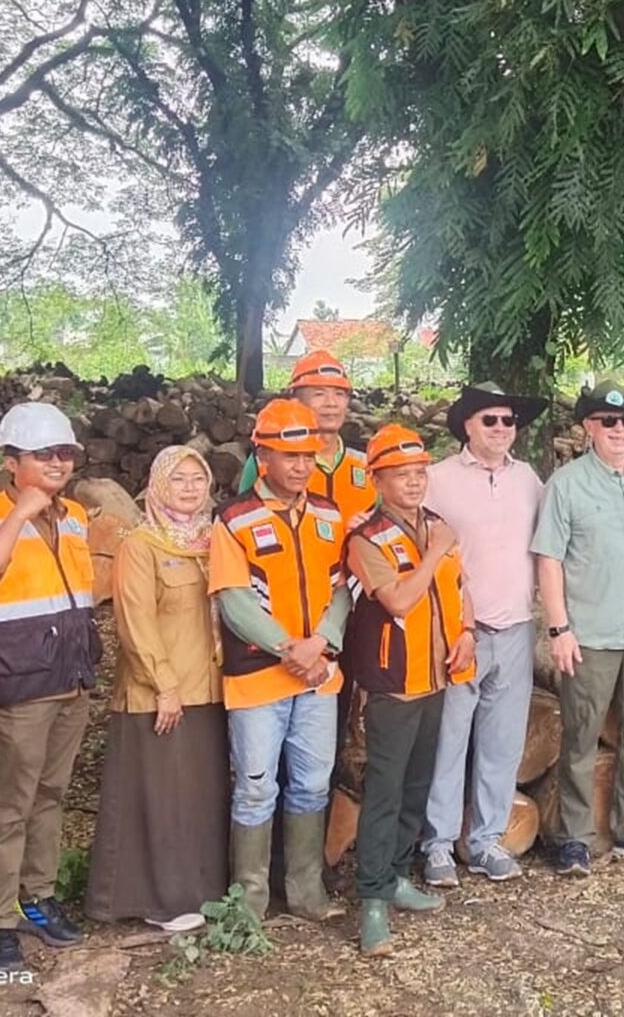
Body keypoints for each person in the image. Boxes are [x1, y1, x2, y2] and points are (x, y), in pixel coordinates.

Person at [0, 402, 97, 971]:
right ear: (11, 461)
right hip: (11, 687)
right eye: (45, 454)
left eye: (66, 453)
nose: (59, 463)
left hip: (68, 682)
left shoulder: (78, 517)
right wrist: (21, 515)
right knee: (11, 805)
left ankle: (39, 896)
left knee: (52, 796)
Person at [208, 400, 351, 922]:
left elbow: (344, 588)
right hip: (258, 679)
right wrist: (290, 649)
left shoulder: (329, 515)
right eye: (288, 455)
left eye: (308, 455)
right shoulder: (234, 519)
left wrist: (323, 642)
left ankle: (307, 892)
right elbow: (234, 598)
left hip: (319, 677)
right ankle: (248, 903)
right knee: (254, 788)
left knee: (313, 782)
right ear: (261, 456)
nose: (301, 466)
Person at [341, 424, 478, 955]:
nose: (416, 482)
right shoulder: (366, 538)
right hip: (393, 683)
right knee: (385, 791)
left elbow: (457, 587)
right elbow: (398, 600)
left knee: (417, 787)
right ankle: (372, 899)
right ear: (378, 480)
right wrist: (434, 552)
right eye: (403, 475)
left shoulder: (436, 527)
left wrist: (465, 632)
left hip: (436, 676)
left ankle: (398, 874)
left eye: (421, 472)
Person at [533, 381, 624, 877]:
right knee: (581, 736)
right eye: (608, 421)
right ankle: (574, 837)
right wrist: (559, 629)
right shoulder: (567, 484)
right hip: (589, 634)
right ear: (588, 427)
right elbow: (548, 559)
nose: (619, 429)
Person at [86, 446, 228, 933]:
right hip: (160, 693)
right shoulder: (140, 544)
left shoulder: (214, 542)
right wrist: (163, 684)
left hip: (209, 688)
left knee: (198, 798)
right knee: (160, 798)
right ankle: (158, 899)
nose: (190, 488)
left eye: (198, 479)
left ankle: (202, 890)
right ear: (158, 485)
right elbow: (134, 623)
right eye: (179, 480)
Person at [419, 382, 549, 888]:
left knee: (502, 743)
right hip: (459, 631)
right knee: (449, 740)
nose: (501, 429)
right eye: (490, 420)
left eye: (509, 421)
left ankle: (487, 841)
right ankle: (437, 845)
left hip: (515, 625)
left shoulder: (528, 480)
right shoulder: (437, 480)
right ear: (467, 426)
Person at [237, 348, 376, 521]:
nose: (331, 403)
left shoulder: (367, 461)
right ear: (296, 400)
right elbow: (240, 521)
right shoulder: (265, 459)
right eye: (319, 394)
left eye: (339, 394)